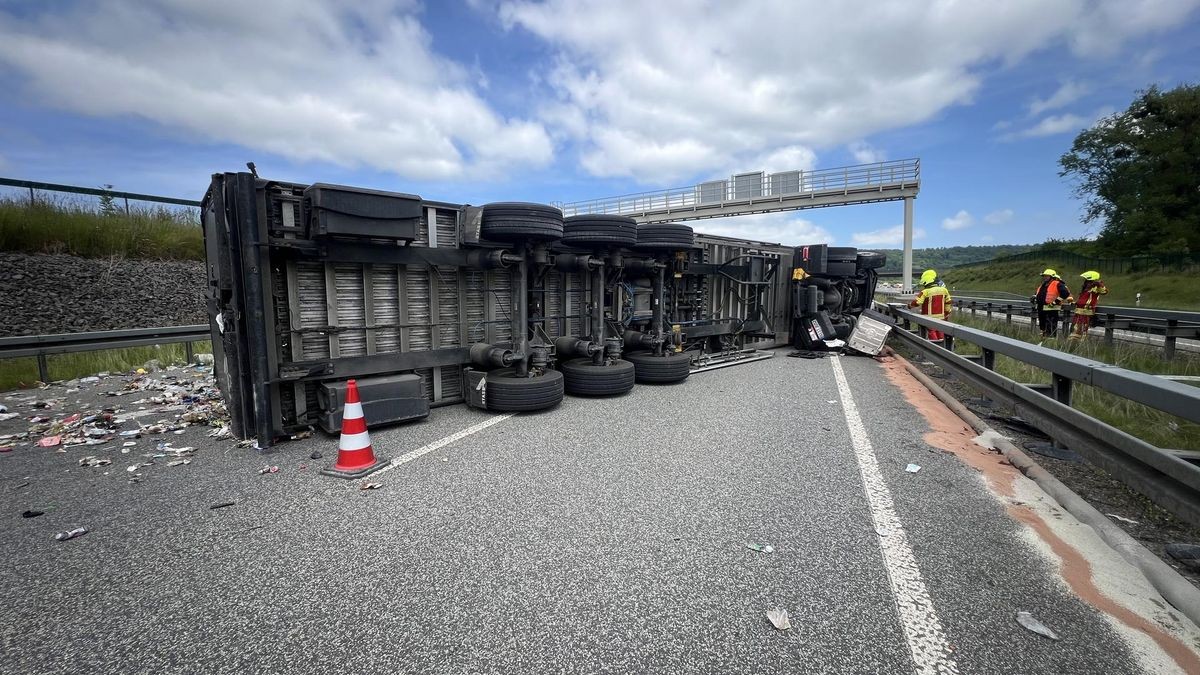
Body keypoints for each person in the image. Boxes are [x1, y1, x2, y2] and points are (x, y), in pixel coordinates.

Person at [909, 269, 952, 341]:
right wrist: (947, 313)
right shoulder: (944, 290)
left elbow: (917, 302)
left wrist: (910, 305)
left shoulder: (925, 291)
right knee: (940, 332)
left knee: (931, 333)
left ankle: (935, 346)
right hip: (941, 318)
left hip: (929, 318)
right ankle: (943, 345)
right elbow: (948, 302)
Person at [1032, 269, 1073, 337]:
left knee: (1051, 326)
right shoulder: (1043, 284)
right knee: (1043, 325)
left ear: (1051, 277)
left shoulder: (1057, 284)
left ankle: (1051, 339)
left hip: (1051, 309)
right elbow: (1039, 294)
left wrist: (1055, 302)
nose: (1045, 277)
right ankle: (1044, 338)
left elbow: (1065, 293)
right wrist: (1035, 297)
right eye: (1044, 276)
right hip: (1041, 308)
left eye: (1047, 276)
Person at [1069, 270, 1109, 341]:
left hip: (1086, 312)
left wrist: (1100, 285)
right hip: (1078, 312)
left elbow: (1104, 292)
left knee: (1082, 330)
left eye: (1088, 280)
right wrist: (1075, 303)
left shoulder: (1096, 287)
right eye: (1086, 281)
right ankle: (1072, 343)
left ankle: (1080, 343)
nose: (1086, 282)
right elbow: (1082, 299)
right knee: (1074, 330)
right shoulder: (1085, 288)